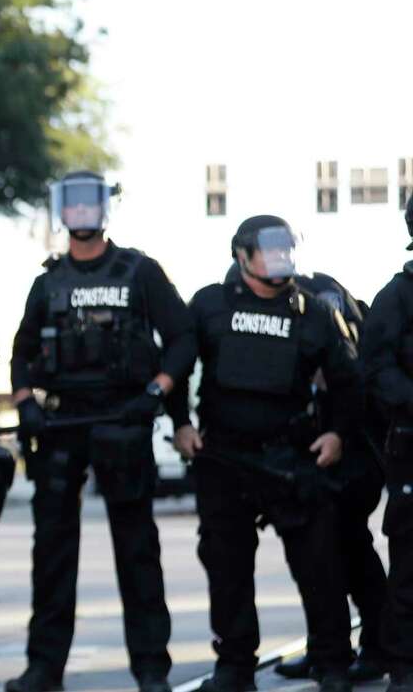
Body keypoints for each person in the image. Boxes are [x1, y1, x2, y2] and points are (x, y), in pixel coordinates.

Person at [6, 171, 192, 692]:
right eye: (74, 203)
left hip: (122, 418)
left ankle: (152, 668)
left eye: (92, 203)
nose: (83, 212)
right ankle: (44, 667)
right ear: (61, 210)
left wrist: (157, 391)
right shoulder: (48, 281)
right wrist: (26, 405)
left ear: (106, 208)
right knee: (52, 553)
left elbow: (181, 338)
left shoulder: (139, 271)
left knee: (137, 550)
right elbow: (20, 354)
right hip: (62, 424)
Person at [178, 215, 360, 692]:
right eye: (269, 250)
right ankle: (235, 668)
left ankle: (332, 663)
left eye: (286, 249)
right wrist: (179, 423)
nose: (280, 258)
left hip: (291, 456)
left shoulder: (313, 312)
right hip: (223, 456)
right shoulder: (209, 306)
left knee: (319, 564)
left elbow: (347, 381)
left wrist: (338, 433)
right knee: (227, 567)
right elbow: (175, 365)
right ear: (242, 256)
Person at [273, 271, 390, 684]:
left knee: (350, 553)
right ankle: (329, 645)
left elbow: (342, 370)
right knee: (321, 561)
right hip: (326, 452)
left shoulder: (319, 297)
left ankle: (377, 647)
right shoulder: (306, 295)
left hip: (353, 452)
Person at [360, 195, 413, 692]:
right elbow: (375, 369)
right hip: (412, 448)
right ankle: (404, 665)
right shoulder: (396, 297)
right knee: (410, 564)